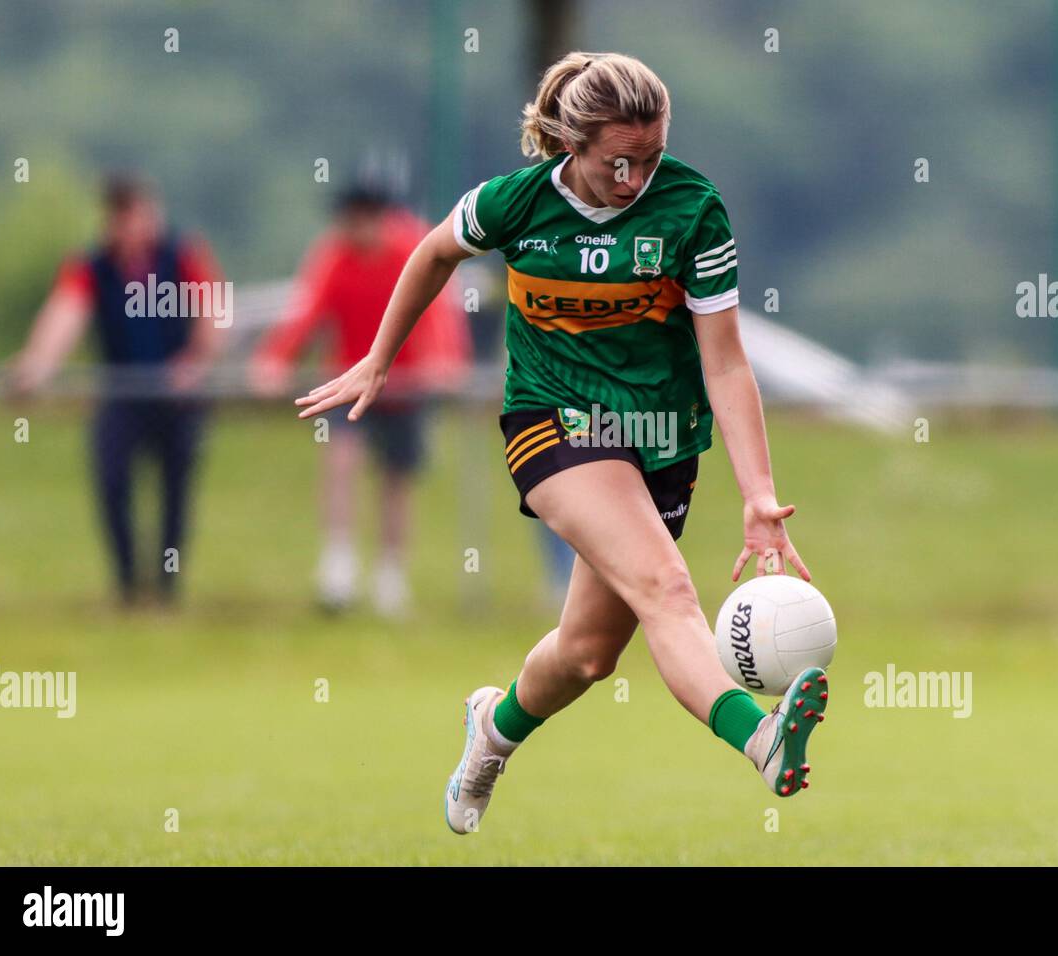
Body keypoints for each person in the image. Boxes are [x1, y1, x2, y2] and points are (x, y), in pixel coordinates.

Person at [295, 52, 826, 833]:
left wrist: (757, 495)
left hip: (661, 442)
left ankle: (491, 732)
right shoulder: (514, 204)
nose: (635, 178)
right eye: (618, 161)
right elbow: (435, 250)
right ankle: (761, 737)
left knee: (586, 655)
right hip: (554, 423)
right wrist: (379, 358)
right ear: (569, 144)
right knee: (669, 590)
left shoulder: (692, 210)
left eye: (649, 158)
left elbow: (725, 359)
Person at [251, 181, 471, 617]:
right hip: (350, 382)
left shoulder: (412, 246)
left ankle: (390, 576)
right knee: (342, 462)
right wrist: (275, 359)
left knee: (396, 481)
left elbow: (438, 311)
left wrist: (445, 360)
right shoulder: (333, 255)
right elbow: (308, 309)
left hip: (404, 385)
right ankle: (340, 566)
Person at [6, 173, 224, 606]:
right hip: (122, 395)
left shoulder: (182, 255)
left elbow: (213, 311)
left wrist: (194, 364)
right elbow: (65, 315)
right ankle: (127, 585)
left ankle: (166, 589)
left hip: (177, 397)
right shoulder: (93, 265)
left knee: (175, 493)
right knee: (111, 481)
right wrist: (36, 365)